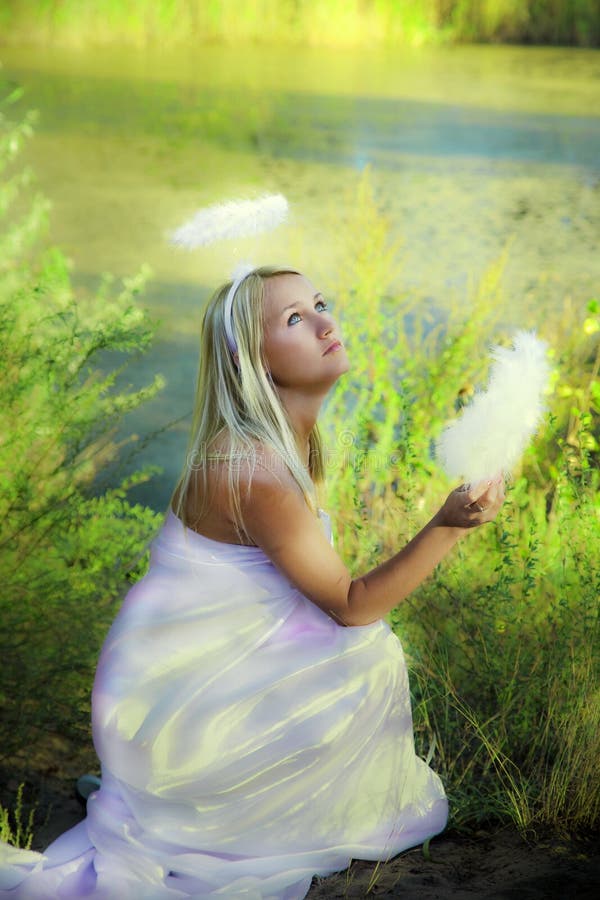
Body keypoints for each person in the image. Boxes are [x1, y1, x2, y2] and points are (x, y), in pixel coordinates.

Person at [0, 265, 505, 899]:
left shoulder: (277, 443)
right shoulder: (254, 468)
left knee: (344, 646)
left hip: (168, 697)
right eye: (295, 319)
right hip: (172, 723)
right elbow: (351, 605)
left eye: (319, 304)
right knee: (365, 648)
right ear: (256, 362)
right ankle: (244, 808)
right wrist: (448, 525)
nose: (326, 322)